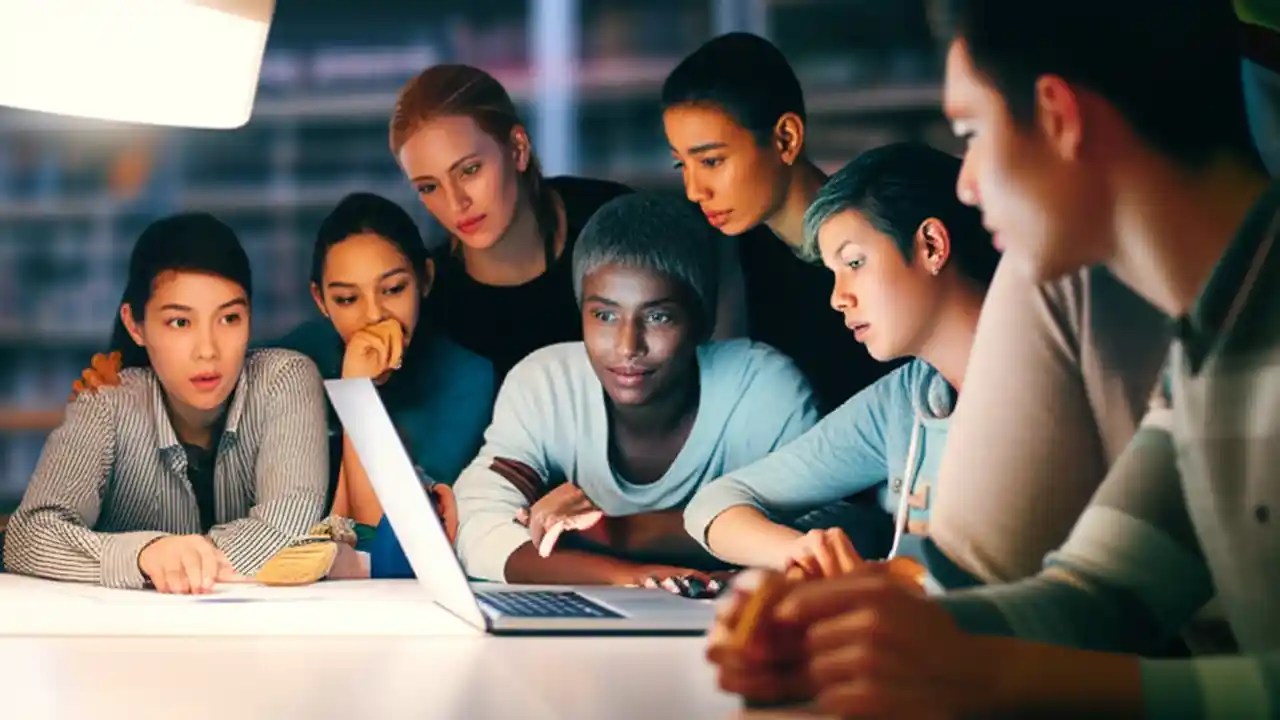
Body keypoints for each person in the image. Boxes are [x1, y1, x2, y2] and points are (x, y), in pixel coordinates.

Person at [708, 2, 1280, 716]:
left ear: (1059, 118)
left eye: (973, 135)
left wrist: (990, 674)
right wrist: (856, 632)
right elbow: (1101, 595)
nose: (968, 184)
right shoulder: (1211, 338)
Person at [453, 192, 819, 589]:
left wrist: (615, 534)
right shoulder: (546, 385)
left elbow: (830, 528)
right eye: (605, 315)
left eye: (658, 316)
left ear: (702, 320)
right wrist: (627, 577)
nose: (628, 346)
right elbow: (475, 525)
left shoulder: (762, 390)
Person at [684, 143, 997, 582]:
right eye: (834, 272)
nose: (838, 297)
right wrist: (802, 551)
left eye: (854, 262)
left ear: (930, 245)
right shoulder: (906, 399)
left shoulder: (1052, 379)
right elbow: (712, 505)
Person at [4, 213, 328, 593]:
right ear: (135, 325)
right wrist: (145, 555)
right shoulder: (107, 402)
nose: (208, 351)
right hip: (125, 641)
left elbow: (290, 528)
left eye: (229, 318)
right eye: (180, 323)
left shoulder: (283, 380)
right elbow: (28, 537)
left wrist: (176, 561)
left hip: (261, 640)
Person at [661, 32, 898, 414]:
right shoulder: (742, 244)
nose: (693, 190)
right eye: (681, 164)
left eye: (711, 162)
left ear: (786, 139)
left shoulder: (879, 238)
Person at [278, 192, 494, 577]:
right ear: (321, 300)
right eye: (346, 299)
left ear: (424, 279)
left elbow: (381, 531)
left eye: (393, 290)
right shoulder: (293, 363)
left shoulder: (468, 379)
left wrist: (357, 387)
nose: (373, 316)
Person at [391, 64, 635, 381]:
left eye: (469, 170)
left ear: (518, 149)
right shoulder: (429, 300)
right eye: (429, 187)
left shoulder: (612, 219)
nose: (456, 203)